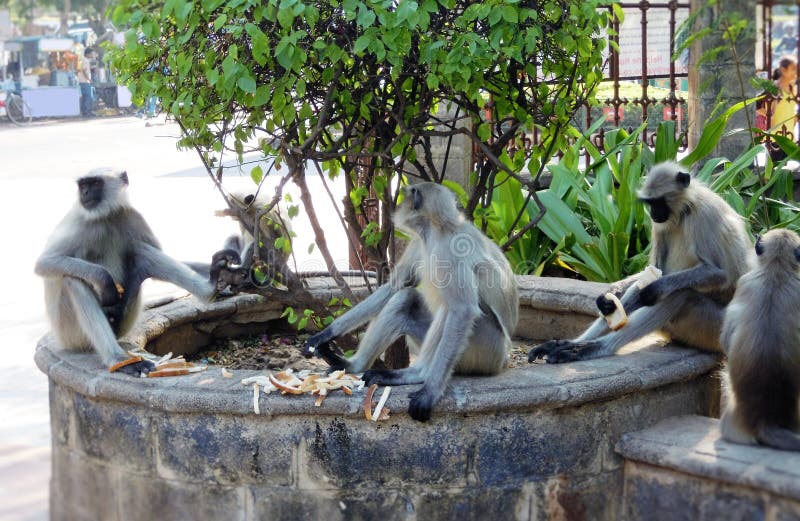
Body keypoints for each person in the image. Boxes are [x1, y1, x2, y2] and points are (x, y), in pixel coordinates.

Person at [756, 55, 798, 162]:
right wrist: (769, 115)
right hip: (776, 138)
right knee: (774, 171)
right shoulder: (774, 88)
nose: (795, 72)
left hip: (790, 137)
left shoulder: (793, 88)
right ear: (783, 70)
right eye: (793, 69)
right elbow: (756, 105)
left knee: (787, 173)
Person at [78, 48, 95, 117]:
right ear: (87, 54)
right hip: (85, 81)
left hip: (82, 81)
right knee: (88, 97)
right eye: (91, 53)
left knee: (84, 97)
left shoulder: (83, 60)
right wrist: (89, 79)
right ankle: (87, 112)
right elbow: (84, 71)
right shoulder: (85, 61)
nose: (92, 55)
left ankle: (84, 112)